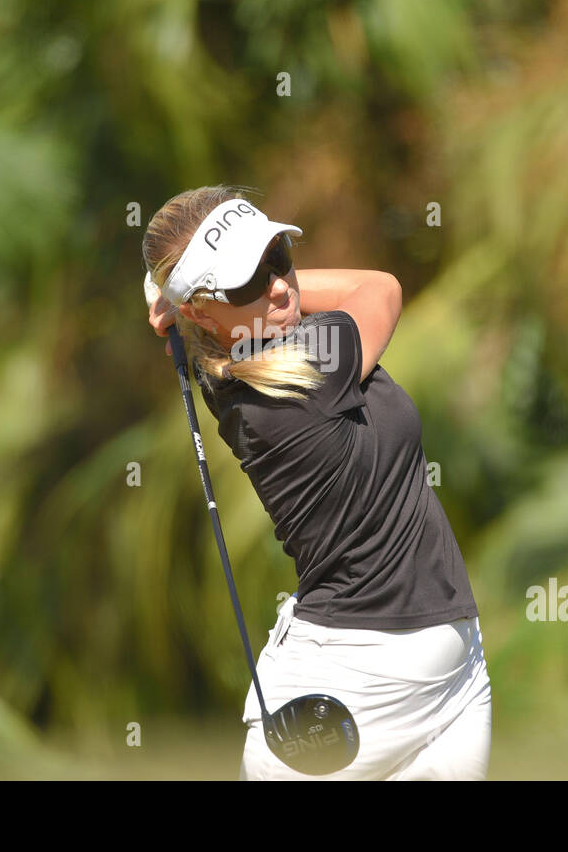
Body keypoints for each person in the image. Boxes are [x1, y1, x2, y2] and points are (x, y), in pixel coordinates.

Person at [143, 184, 491, 780]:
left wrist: (183, 301)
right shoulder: (309, 369)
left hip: (449, 677)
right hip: (348, 688)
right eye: (249, 280)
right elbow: (379, 288)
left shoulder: (233, 355)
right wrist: (174, 302)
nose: (279, 285)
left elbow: (251, 304)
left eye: (278, 256)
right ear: (203, 310)